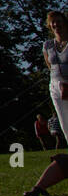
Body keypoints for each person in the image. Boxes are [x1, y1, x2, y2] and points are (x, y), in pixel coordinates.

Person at [43, 11, 68, 143]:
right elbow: (49, 65)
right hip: (55, 86)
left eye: (58, 21)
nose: (56, 24)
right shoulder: (47, 45)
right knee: (64, 122)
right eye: (53, 22)